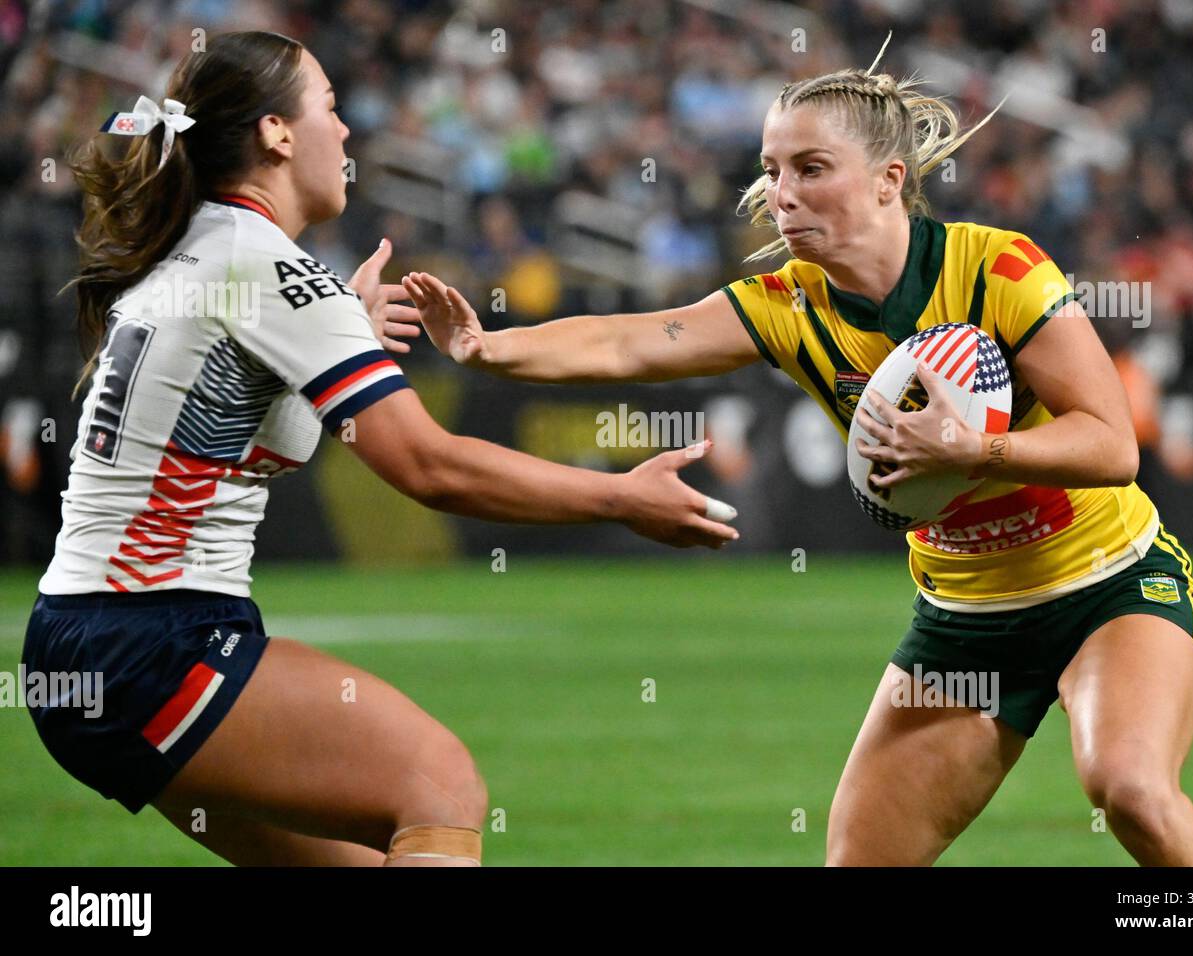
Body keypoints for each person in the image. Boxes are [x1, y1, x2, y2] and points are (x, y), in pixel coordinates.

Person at [407, 42, 1193, 865]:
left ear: (889, 181)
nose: (781, 194)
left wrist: (976, 445)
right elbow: (632, 345)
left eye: (810, 168)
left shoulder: (998, 270)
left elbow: (1112, 442)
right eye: (772, 170)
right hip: (964, 622)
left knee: (1129, 788)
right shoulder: (786, 304)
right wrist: (490, 349)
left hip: (1107, 581)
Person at [24, 31, 738, 868]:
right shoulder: (266, 267)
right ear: (276, 135)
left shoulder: (203, 249)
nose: (347, 131)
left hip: (88, 641)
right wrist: (619, 497)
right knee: (437, 785)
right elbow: (430, 467)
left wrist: (340, 329)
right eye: (328, 108)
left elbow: (223, 434)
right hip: (152, 640)